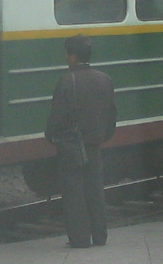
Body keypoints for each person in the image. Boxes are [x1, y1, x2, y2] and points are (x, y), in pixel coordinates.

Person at [44, 34, 118, 249]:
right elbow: (112, 115)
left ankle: (79, 239)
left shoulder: (67, 81)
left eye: (67, 54)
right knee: (95, 190)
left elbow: (56, 118)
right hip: (95, 145)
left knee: (74, 194)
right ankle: (100, 236)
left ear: (73, 56)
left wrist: (52, 137)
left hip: (71, 147)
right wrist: (103, 137)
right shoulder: (105, 79)